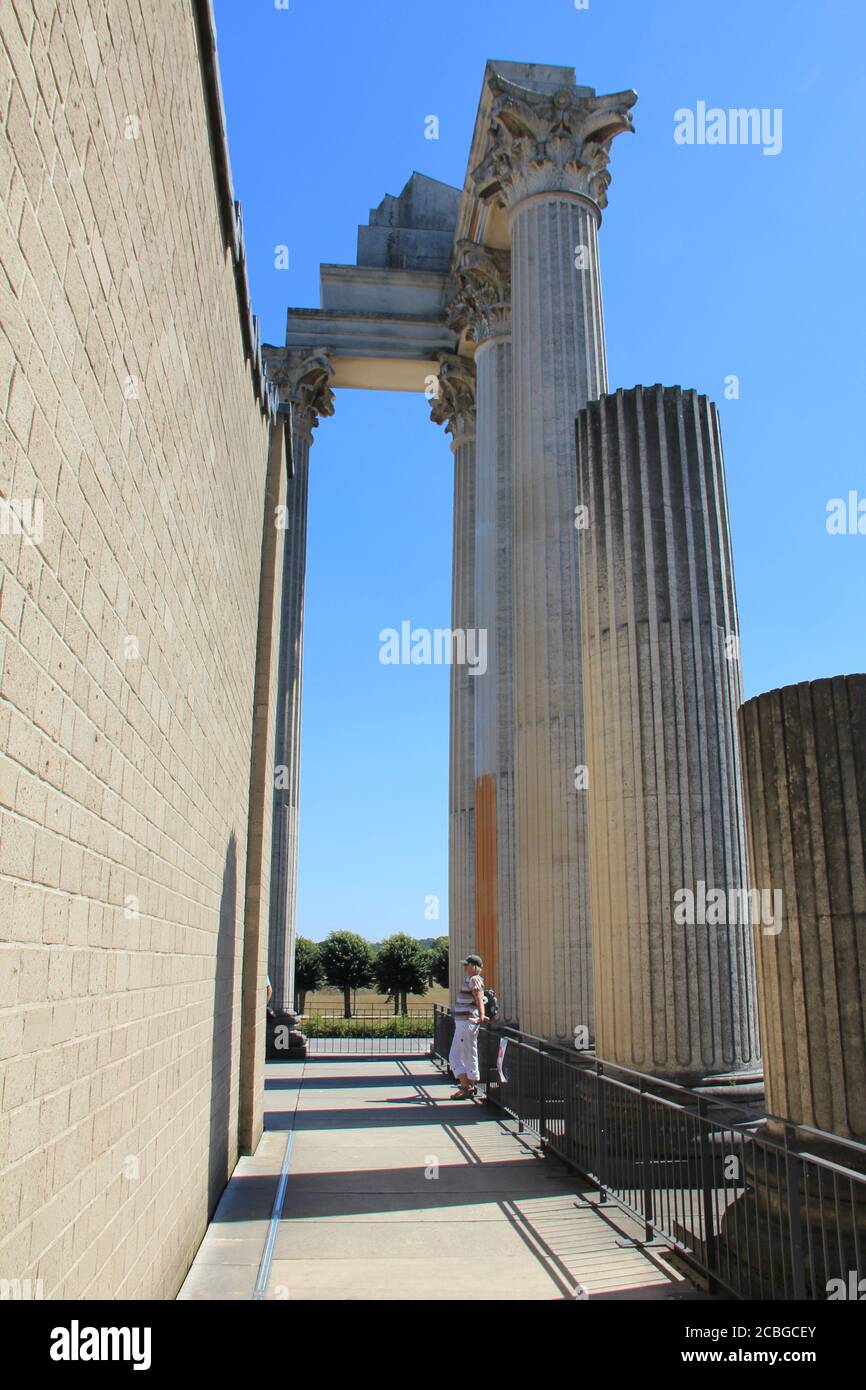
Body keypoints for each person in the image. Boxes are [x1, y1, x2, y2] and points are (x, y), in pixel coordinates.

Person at [448, 953, 486, 1099]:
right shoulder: (472, 979)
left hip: (466, 1022)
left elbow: (478, 996)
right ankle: (469, 1086)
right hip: (465, 1022)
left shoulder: (474, 979)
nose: (465, 967)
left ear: (474, 967)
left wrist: (481, 1014)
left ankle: (465, 1086)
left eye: (467, 965)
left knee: (455, 1055)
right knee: (468, 1054)